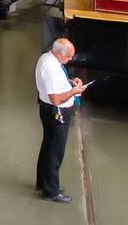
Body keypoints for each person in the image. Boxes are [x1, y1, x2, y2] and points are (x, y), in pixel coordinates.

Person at [35, 37, 89, 204]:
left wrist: (70, 82)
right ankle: (51, 191)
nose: (70, 59)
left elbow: (56, 83)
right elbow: (56, 99)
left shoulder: (49, 58)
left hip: (48, 110)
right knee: (55, 152)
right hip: (56, 112)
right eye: (68, 57)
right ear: (59, 53)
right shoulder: (50, 68)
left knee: (48, 146)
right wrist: (74, 91)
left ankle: (43, 182)